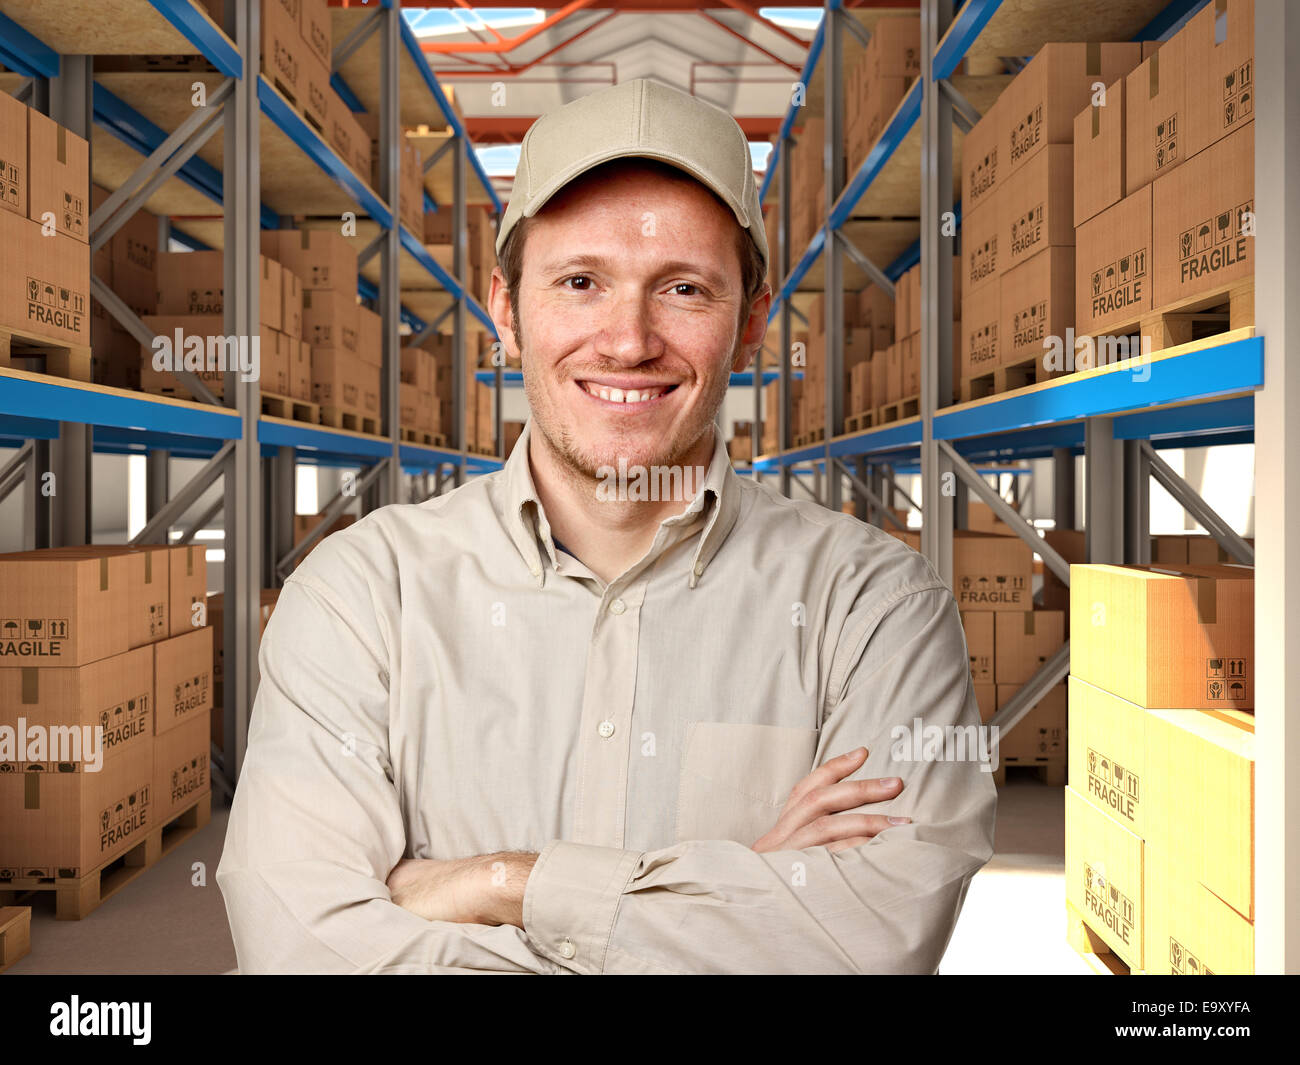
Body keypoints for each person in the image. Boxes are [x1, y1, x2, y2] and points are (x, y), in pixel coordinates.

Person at [217, 78, 996, 974]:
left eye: (684, 289)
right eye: (580, 282)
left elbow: (869, 941)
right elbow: (299, 948)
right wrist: (741, 894)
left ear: (751, 323)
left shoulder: (876, 609)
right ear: (506, 309)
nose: (628, 341)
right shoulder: (361, 594)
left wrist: (502, 883)